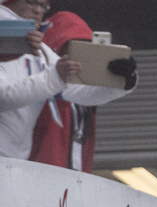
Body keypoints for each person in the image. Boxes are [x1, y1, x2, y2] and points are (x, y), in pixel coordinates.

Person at [0, 1, 132, 160]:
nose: (38, 10)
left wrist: (121, 81)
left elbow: (78, 91)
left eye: (44, 5)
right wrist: (55, 76)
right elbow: (3, 97)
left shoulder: (40, 49)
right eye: (31, 2)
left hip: (14, 163)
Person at [30, 11, 137, 172]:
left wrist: (126, 78)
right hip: (38, 176)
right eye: (73, 47)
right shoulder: (42, 85)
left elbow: (92, 94)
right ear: (56, 49)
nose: (79, 58)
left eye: (87, 47)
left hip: (75, 179)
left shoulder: (83, 98)